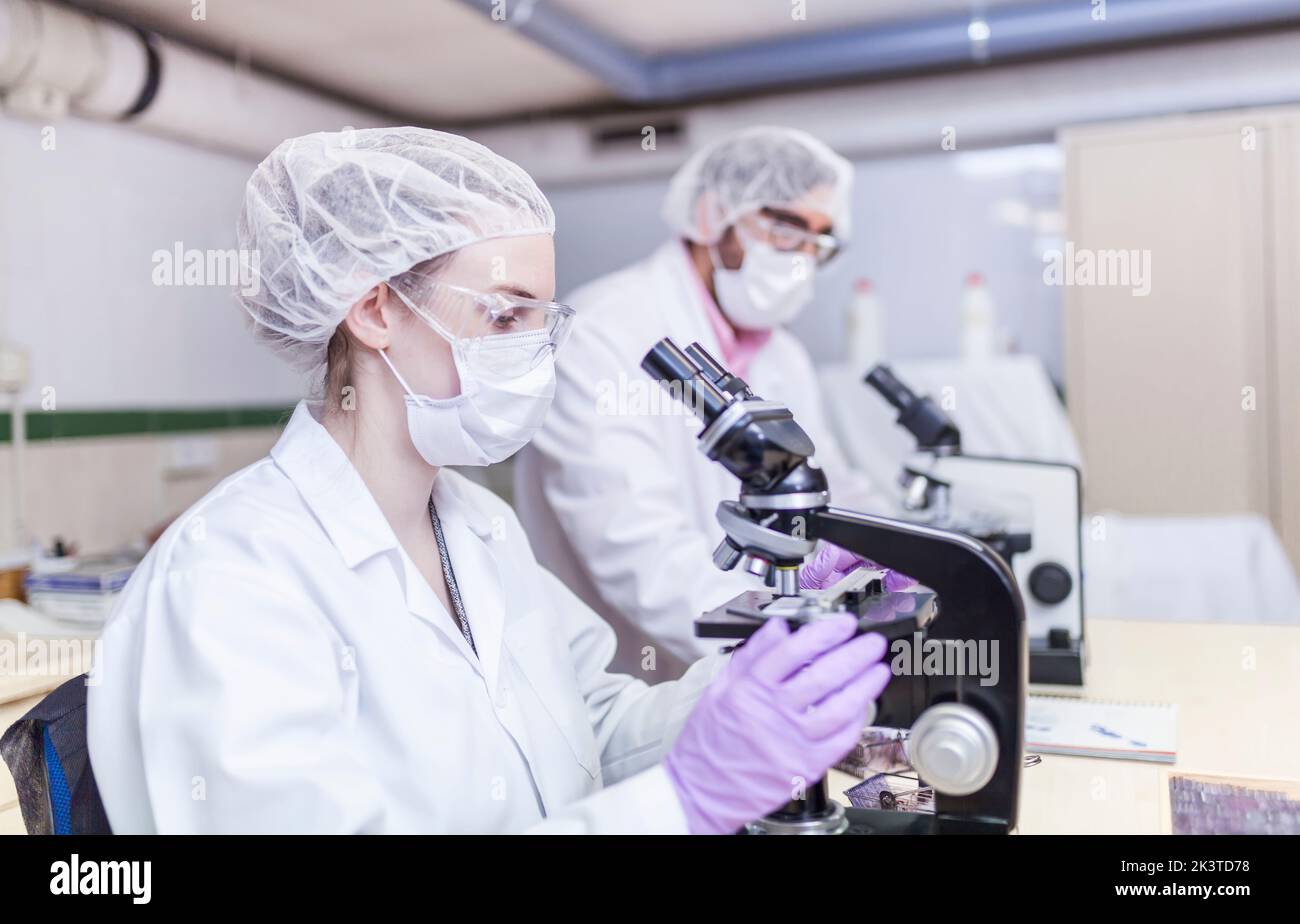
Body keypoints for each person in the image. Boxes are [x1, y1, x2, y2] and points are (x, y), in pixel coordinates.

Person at [85, 127, 891, 834]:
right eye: (505, 317)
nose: (537, 354)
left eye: (543, 319)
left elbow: (593, 728)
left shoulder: (478, 528)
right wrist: (678, 805)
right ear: (373, 311)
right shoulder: (232, 580)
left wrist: (748, 690)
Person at [515, 126, 896, 683]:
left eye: (818, 243)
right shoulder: (605, 331)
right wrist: (788, 645)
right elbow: (642, 553)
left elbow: (827, 485)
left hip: (750, 665)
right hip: (632, 677)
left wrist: (902, 558)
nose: (800, 260)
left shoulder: (781, 354)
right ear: (715, 215)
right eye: (786, 229)